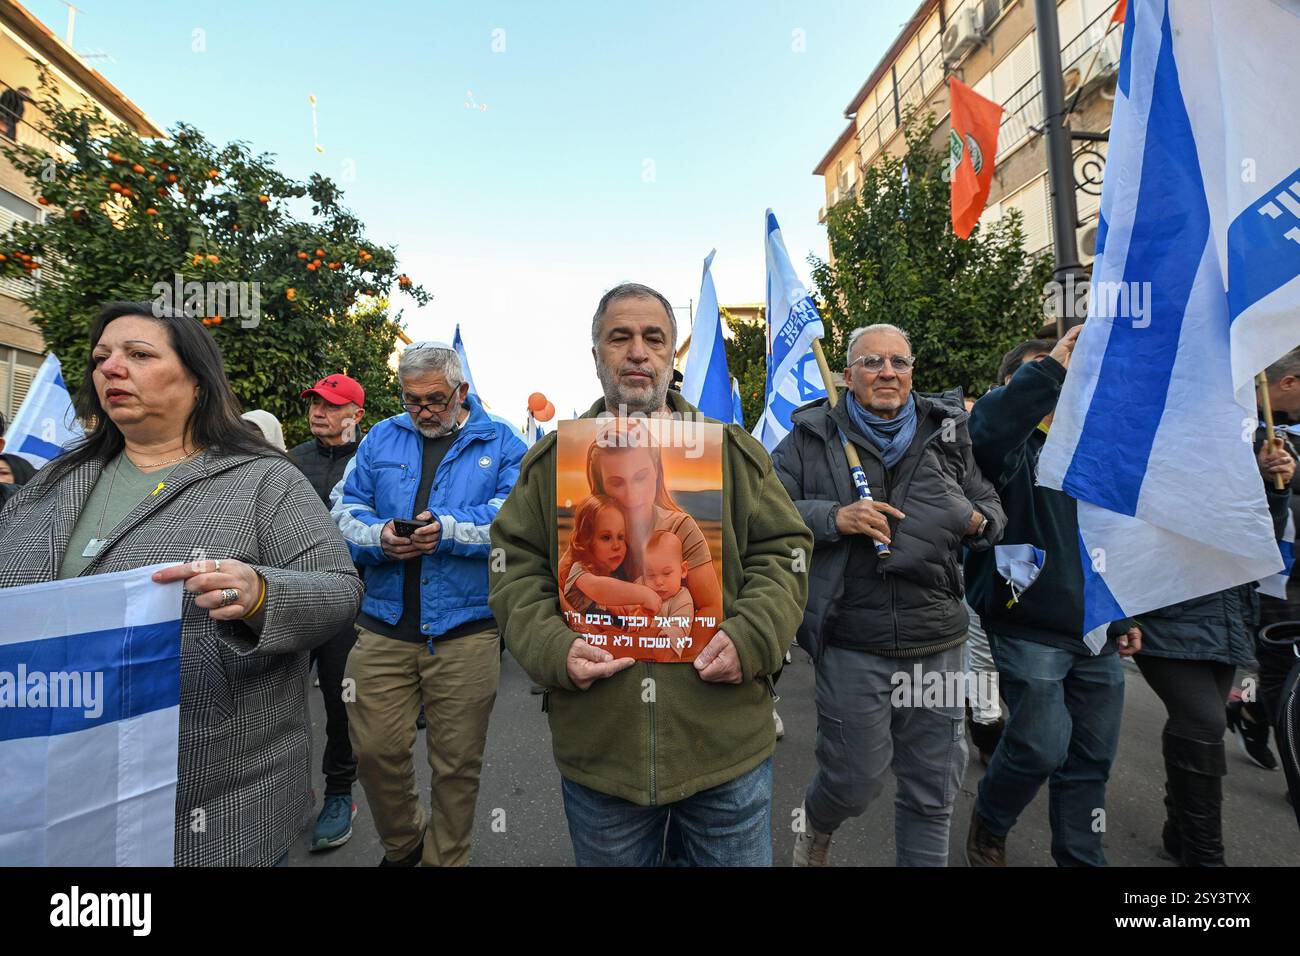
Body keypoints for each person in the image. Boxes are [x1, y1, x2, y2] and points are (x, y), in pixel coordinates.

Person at [0, 301, 363, 866]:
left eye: (138, 355)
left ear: (198, 379)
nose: (110, 369)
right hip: (51, 790)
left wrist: (261, 595)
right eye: (101, 358)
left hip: (211, 803)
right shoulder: (50, 482)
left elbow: (339, 591)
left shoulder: (264, 480)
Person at [489, 282, 811, 866]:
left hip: (723, 747)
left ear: (670, 357)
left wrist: (749, 638)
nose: (637, 352)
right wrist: (554, 649)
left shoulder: (732, 454)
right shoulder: (548, 469)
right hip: (603, 753)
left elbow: (784, 551)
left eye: (653, 338)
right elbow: (512, 569)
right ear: (596, 356)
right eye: (620, 337)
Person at [772, 322, 1006, 867]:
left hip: (939, 640)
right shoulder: (811, 436)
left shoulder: (947, 432)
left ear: (911, 373)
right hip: (854, 639)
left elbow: (988, 500)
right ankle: (816, 823)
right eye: (872, 363)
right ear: (848, 375)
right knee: (853, 780)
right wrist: (835, 517)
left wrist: (979, 520)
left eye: (898, 363)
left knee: (933, 793)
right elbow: (767, 510)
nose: (887, 373)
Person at [332, 341, 525, 866]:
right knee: (374, 752)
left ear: (461, 391)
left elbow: (514, 521)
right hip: (381, 627)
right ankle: (405, 843)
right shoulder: (380, 437)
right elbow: (343, 509)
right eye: (412, 399)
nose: (423, 411)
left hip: (466, 630)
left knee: (457, 764)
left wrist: (448, 531)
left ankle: (447, 859)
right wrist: (377, 538)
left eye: (436, 399)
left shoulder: (503, 440)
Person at [963, 327, 1142, 868]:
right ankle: (990, 823)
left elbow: (1108, 539)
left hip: (1096, 629)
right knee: (1040, 745)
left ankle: (1080, 858)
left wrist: (1122, 612)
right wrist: (1050, 366)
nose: (1060, 381)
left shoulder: (1093, 448)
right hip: (1029, 626)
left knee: (1090, 759)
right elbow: (988, 430)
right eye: (1042, 375)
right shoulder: (1003, 452)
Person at [1133, 435, 1293, 866]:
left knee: (1195, 724)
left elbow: (1262, 545)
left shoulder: (1239, 465)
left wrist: (1271, 488)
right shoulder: (1161, 461)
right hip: (1166, 616)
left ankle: (1179, 831)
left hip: (1227, 618)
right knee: (1202, 721)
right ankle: (1206, 858)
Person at [288, 373, 366, 850]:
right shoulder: (288, 462)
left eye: (332, 405)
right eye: (315, 402)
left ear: (355, 415)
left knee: (341, 708)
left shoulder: (372, 462)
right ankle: (282, 792)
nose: (319, 411)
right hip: (290, 600)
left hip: (346, 607)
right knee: (274, 702)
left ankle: (339, 794)